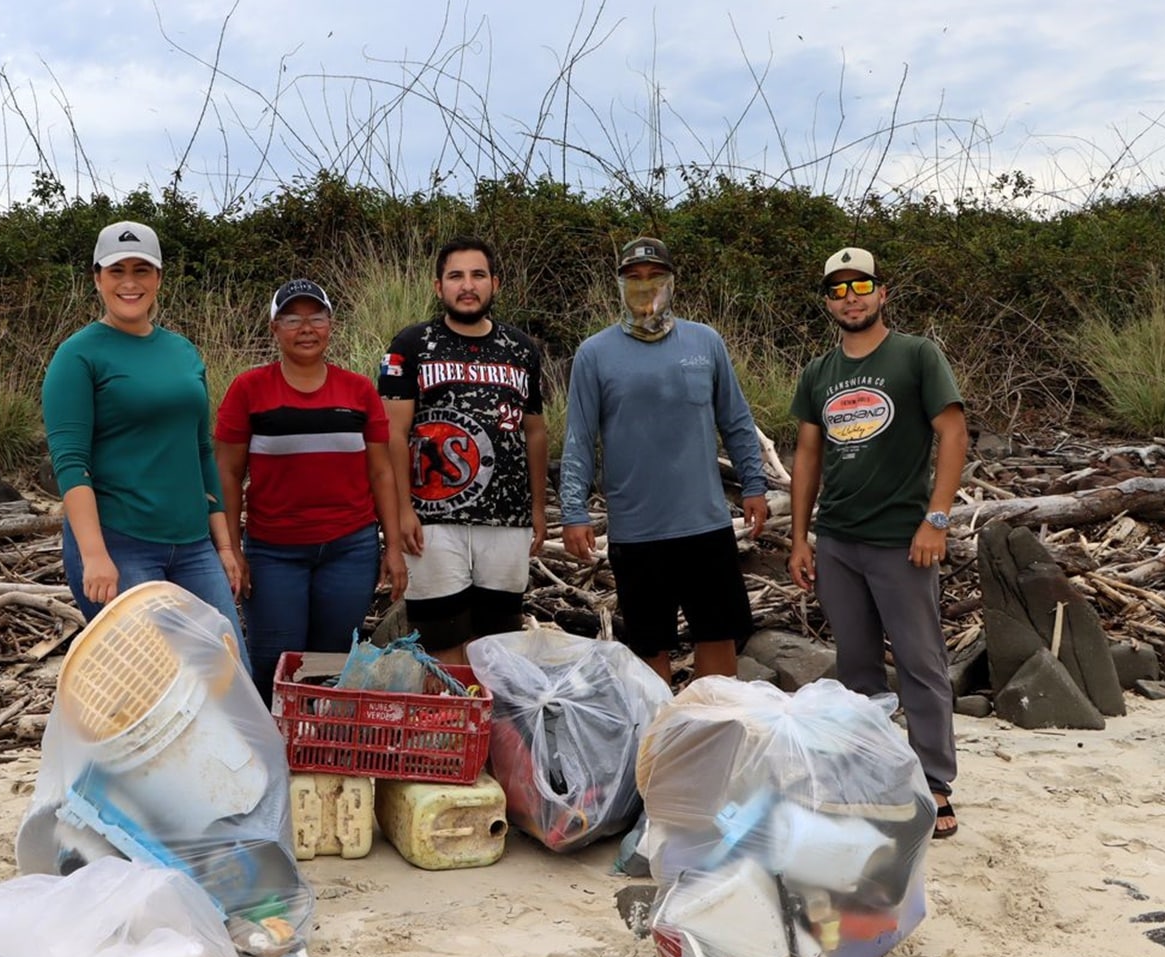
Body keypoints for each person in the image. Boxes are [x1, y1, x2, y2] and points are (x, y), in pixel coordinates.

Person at [788, 246, 970, 840]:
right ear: (827, 303)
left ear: (881, 292)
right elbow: (809, 454)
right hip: (838, 539)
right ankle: (870, 771)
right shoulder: (818, 372)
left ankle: (934, 781)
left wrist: (935, 520)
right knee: (857, 667)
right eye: (837, 290)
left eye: (859, 286)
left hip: (902, 539)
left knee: (921, 662)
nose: (850, 298)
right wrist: (801, 537)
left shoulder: (917, 355)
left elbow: (952, 433)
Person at [560, 236, 770, 684]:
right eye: (633, 278)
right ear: (619, 285)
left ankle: (711, 738)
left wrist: (754, 483)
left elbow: (735, 420)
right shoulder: (594, 354)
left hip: (706, 525)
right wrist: (574, 511)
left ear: (671, 282)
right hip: (637, 533)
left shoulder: (705, 342)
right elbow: (579, 439)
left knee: (717, 638)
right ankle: (660, 745)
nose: (644, 286)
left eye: (654, 276)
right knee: (649, 647)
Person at [42, 220, 245, 655]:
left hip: (193, 545)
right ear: (97, 278)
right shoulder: (78, 355)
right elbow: (71, 462)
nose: (129, 283)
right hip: (120, 543)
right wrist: (95, 555)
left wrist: (224, 544)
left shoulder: (182, 351)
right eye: (117, 271)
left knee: (229, 673)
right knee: (151, 680)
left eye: (142, 270)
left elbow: (200, 449)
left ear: (158, 278)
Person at [215, 279, 408, 701]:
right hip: (273, 552)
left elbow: (382, 474)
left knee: (332, 661)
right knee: (273, 660)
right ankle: (272, 754)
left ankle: (318, 752)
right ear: (274, 328)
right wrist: (232, 549)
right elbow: (226, 473)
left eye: (316, 317)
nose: (306, 328)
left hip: (349, 550)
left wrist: (392, 548)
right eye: (292, 318)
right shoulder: (249, 390)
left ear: (331, 325)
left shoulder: (358, 391)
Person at [379, 237, 549, 664]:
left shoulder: (522, 349)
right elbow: (392, 435)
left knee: (499, 646)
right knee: (441, 643)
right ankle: (449, 727)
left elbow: (535, 432)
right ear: (439, 287)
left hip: (507, 519)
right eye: (456, 276)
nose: (467, 285)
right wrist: (402, 511)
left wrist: (538, 510)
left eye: (477, 275)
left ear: (495, 283)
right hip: (433, 518)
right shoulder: (410, 346)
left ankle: (490, 730)